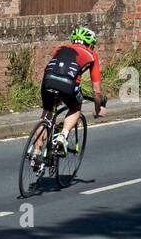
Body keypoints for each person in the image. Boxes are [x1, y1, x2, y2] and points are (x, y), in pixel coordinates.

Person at [38, 25, 107, 156]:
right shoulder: (92, 55)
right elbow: (96, 90)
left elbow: (53, 67)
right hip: (68, 84)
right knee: (75, 108)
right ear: (90, 44)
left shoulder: (60, 48)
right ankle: (62, 136)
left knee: (46, 115)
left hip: (48, 80)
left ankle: (35, 153)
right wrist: (98, 109)